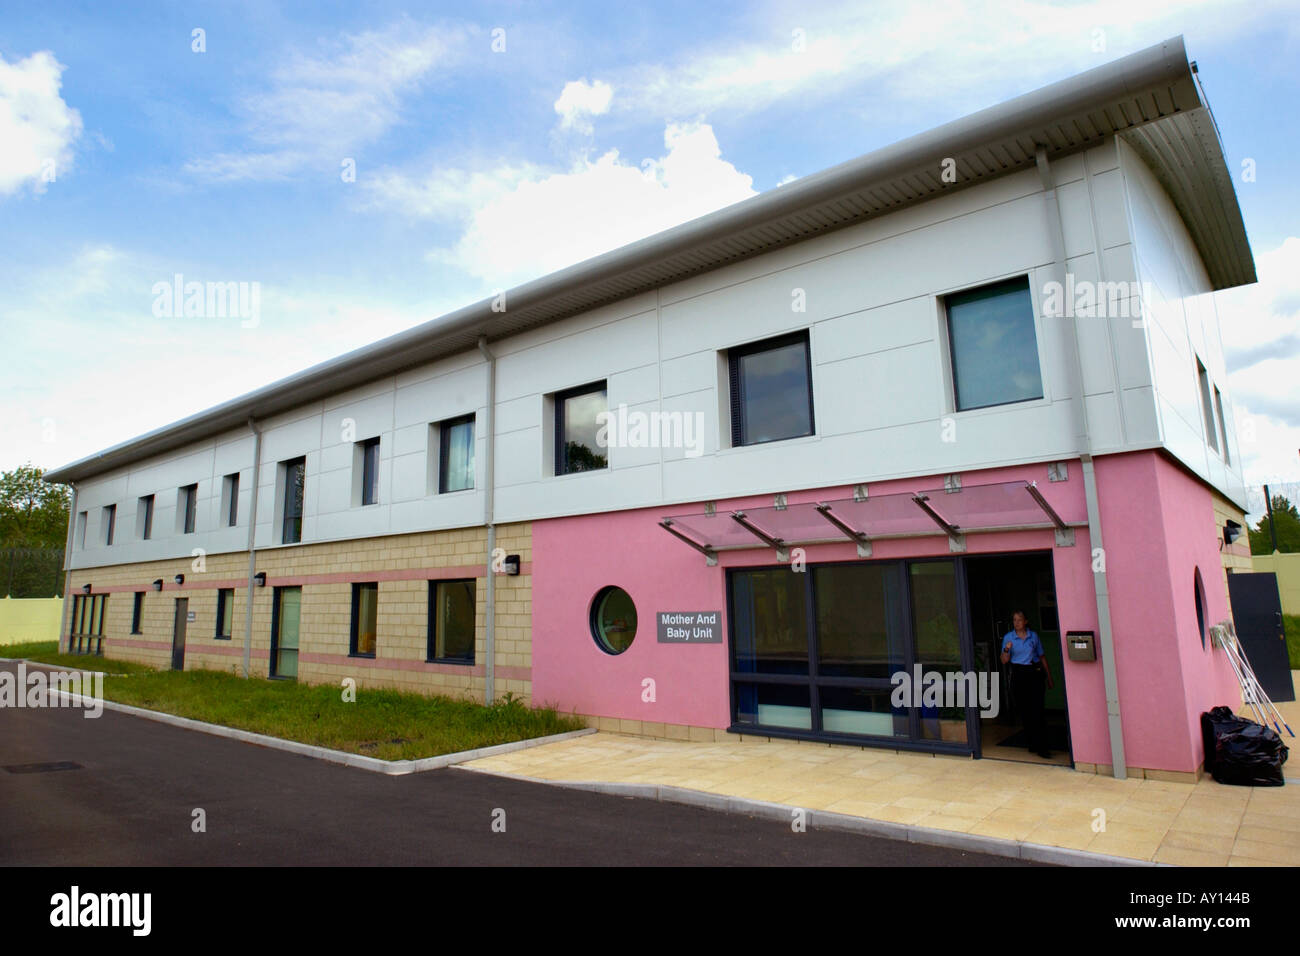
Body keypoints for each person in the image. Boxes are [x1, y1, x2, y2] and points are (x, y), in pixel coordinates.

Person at [1001, 610, 1054, 759]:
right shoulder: (1008, 638)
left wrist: (1049, 678)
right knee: (1025, 711)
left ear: (1026, 622)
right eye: (1014, 620)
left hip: (1034, 672)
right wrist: (1006, 649)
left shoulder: (1033, 637)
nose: (1016, 623)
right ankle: (1032, 743)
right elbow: (1004, 660)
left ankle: (1043, 747)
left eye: (1019, 620)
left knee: (1038, 710)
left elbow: (1042, 657)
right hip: (1018, 674)